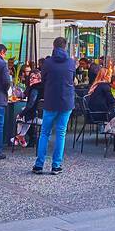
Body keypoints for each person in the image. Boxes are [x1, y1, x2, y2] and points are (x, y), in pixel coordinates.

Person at [33, 37, 76, 174]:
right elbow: (72, 78)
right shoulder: (71, 63)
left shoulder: (47, 63)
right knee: (61, 133)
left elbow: (44, 80)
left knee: (45, 133)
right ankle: (56, 165)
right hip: (66, 101)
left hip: (50, 101)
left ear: (53, 46)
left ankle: (39, 165)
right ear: (65, 47)